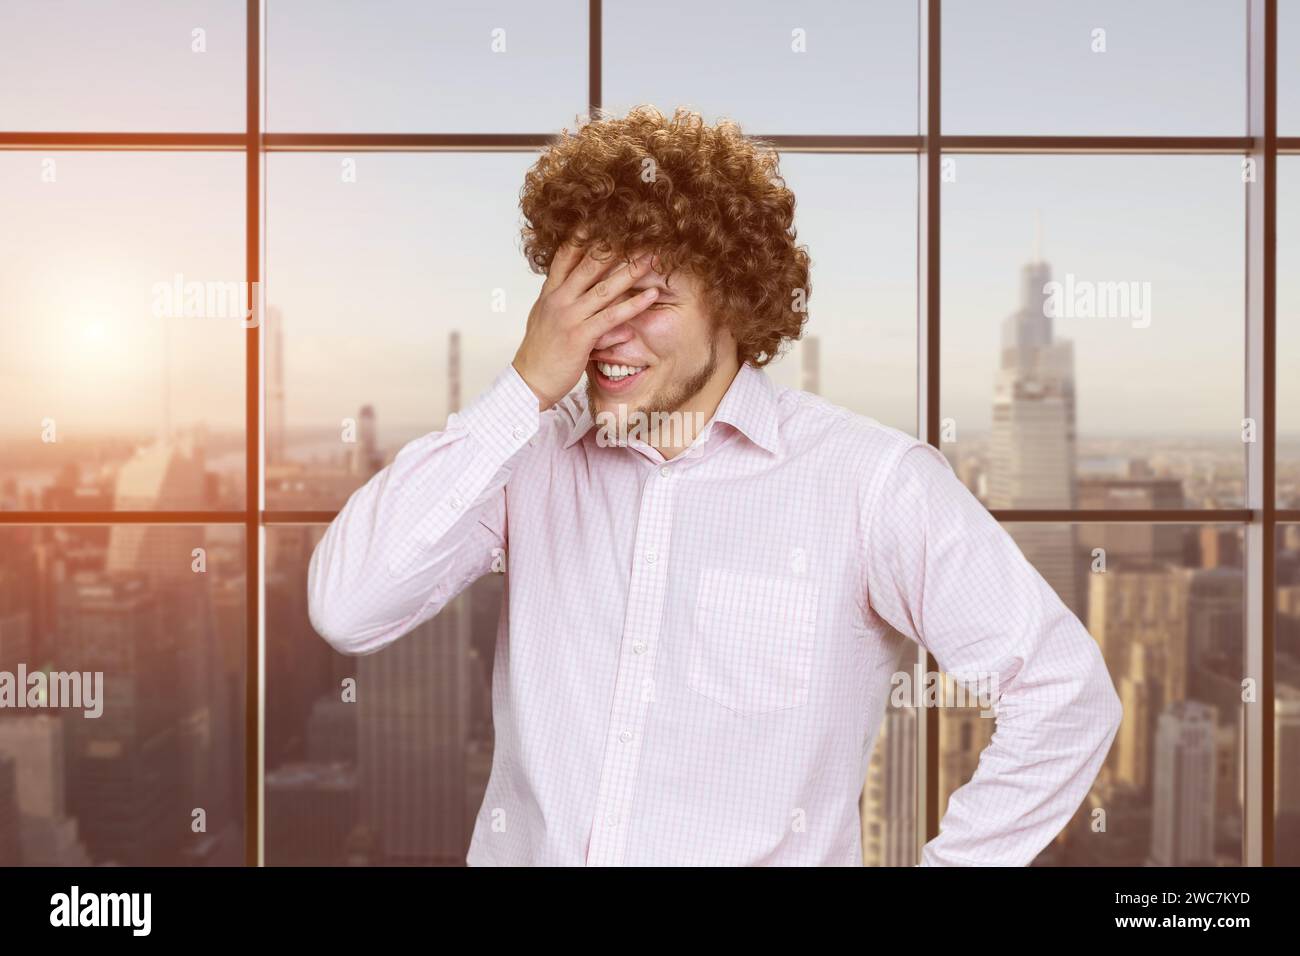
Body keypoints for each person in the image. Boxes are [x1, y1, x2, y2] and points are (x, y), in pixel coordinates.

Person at [307, 105, 1122, 866]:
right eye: (582, 299)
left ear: (732, 296)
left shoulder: (869, 483)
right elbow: (349, 607)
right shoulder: (525, 455)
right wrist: (523, 386)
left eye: (645, 298)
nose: (604, 334)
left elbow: (1062, 694)